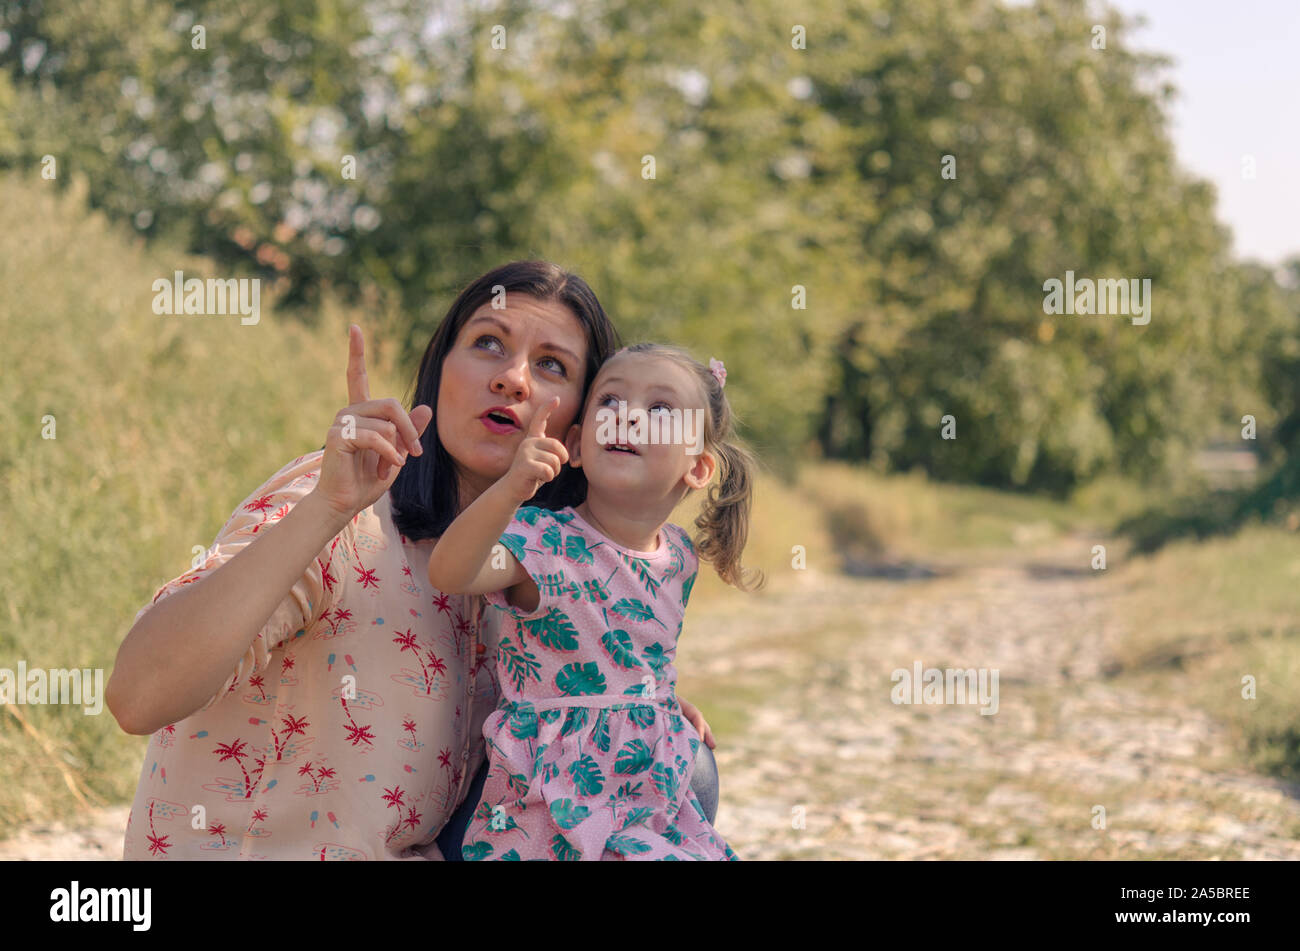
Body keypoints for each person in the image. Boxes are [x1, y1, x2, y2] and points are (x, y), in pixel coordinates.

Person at [107, 261, 720, 860]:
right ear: (439, 370)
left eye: (551, 365)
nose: (513, 378)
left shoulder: (534, 560)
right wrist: (328, 508)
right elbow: (138, 697)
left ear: (580, 430)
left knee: (684, 768)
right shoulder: (348, 510)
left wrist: (629, 702)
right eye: (488, 343)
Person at [428, 342, 761, 860]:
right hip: (548, 794)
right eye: (610, 400)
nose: (626, 416)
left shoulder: (679, 558)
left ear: (696, 468)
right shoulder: (541, 540)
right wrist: (512, 488)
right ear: (578, 446)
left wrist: (660, 702)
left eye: (659, 409)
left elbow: (635, 656)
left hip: (646, 788)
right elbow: (451, 571)